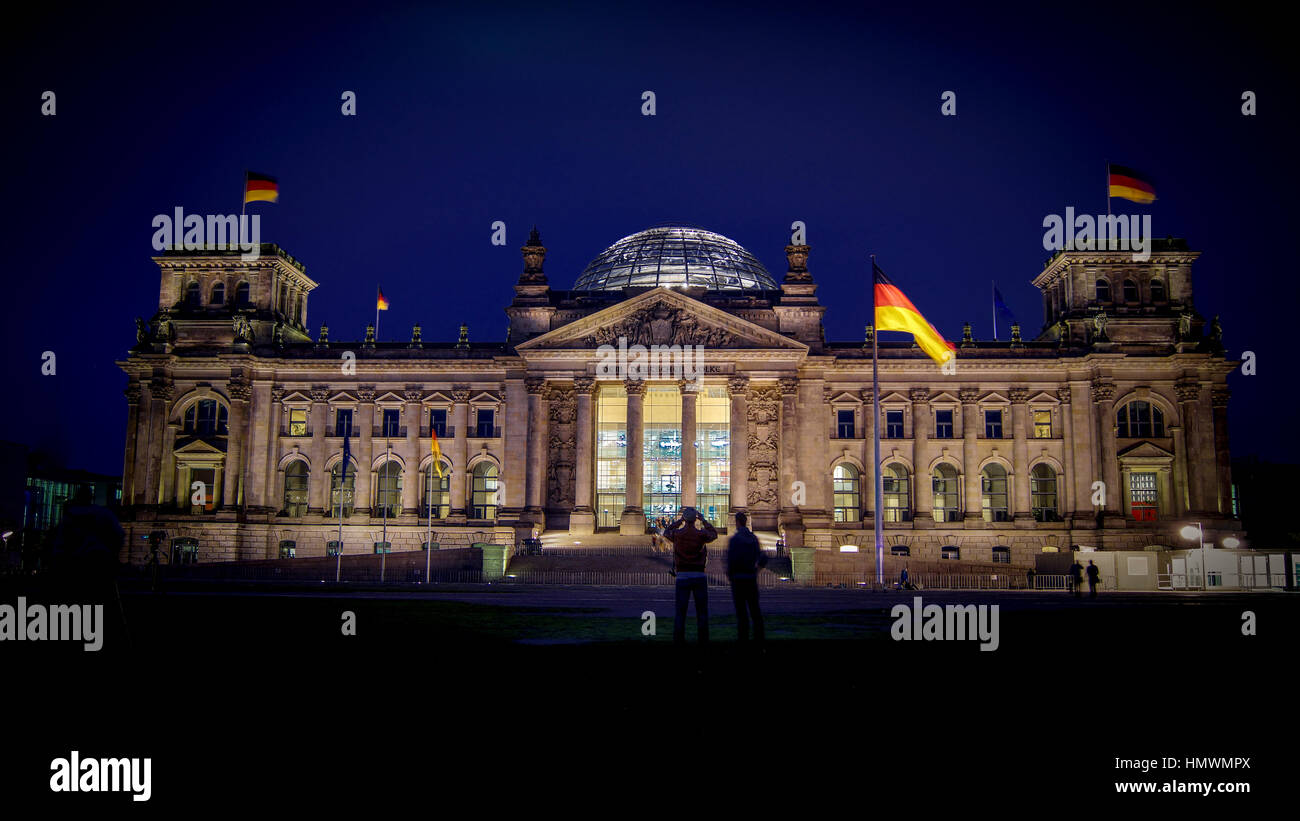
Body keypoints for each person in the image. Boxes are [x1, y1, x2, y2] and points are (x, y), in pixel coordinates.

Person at [663, 507, 717, 645]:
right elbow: (714, 534)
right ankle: (703, 641)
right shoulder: (701, 535)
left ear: (685, 519)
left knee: (680, 613)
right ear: (695, 519)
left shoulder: (677, 534)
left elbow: (666, 531)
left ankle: (678, 641)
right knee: (702, 613)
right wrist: (704, 520)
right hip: (699, 575)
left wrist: (678, 521)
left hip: (682, 575)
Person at [725, 511, 766, 644]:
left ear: (737, 522)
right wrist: (756, 570)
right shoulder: (753, 538)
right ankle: (759, 641)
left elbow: (730, 560)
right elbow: (763, 557)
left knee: (742, 614)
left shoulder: (735, 540)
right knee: (755, 612)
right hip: (751, 578)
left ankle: (743, 641)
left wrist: (730, 575)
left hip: (738, 579)